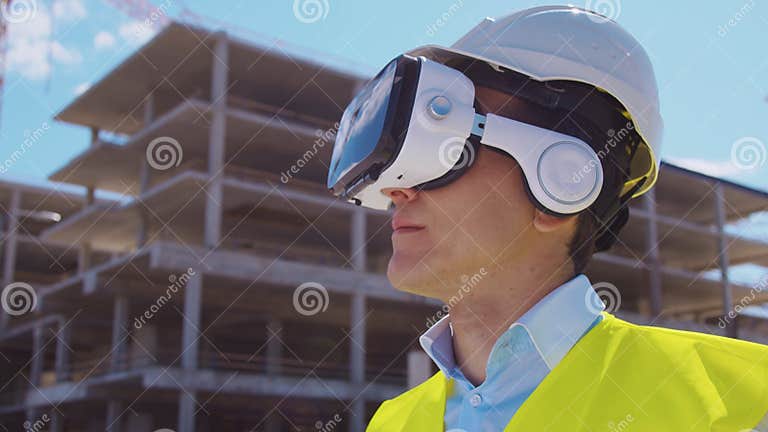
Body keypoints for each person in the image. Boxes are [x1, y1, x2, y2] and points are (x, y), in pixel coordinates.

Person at [325, 5, 768, 431]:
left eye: (446, 151)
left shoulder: (744, 400)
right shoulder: (393, 423)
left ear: (562, 180)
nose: (396, 189)